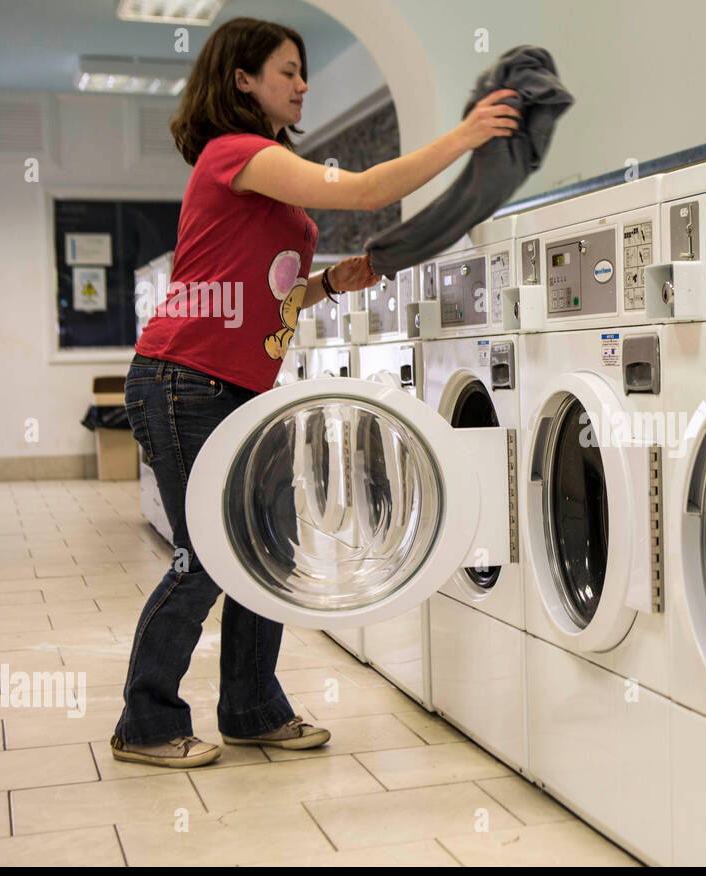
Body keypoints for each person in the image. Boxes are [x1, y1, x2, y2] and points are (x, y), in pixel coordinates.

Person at [113, 16, 521, 768]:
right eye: (289, 72)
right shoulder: (236, 153)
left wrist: (328, 282)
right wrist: (464, 137)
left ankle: (251, 708)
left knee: (265, 547)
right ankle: (146, 720)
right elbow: (366, 192)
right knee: (204, 554)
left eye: (304, 72)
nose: (303, 85)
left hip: (235, 382)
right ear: (243, 79)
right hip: (183, 378)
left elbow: (262, 288)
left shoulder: (262, 165)